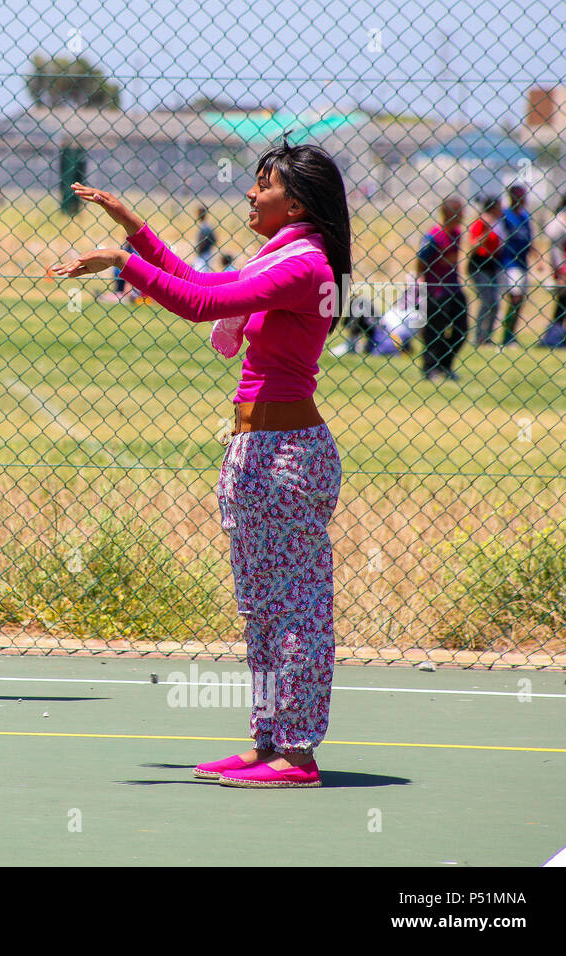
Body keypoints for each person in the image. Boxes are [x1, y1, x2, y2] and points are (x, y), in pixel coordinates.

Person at [54, 141, 351, 789]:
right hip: (261, 450)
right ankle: (270, 738)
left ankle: (298, 755)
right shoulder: (286, 259)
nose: (250, 192)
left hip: (287, 457)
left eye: (263, 184)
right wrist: (135, 230)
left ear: (296, 203)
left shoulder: (307, 268)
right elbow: (207, 285)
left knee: (295, 608)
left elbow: (199, 305)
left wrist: (124, 265)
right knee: (261, 606)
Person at [415, 197, 468, 382]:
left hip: (454, 287)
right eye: (460, 211)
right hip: (435, 291)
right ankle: (430, 368)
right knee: (434, 330)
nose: (463, 215)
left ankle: (445, 365)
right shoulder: (433, 236)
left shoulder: (457, 234)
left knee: (462, 330)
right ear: (448, 213)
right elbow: (420, 261)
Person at [497, 182, 532, 347]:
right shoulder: (505, 216)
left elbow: (529, 239)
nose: (522, 199)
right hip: (509, 262)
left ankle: (510, 334)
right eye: (519, 195)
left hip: (523, 263)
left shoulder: (525, 216)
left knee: (520, 300)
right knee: (515, 297)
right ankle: (506, 335)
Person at [541, 188, 566, 348]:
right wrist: (561, 271)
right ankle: (554, 339)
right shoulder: (561, 220)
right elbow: (555, 249)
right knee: (564, 305)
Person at [466, 194, 503, 346]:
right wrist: (486, 232)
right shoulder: (481, 222)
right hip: (479, 264)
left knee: (494, 303)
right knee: (486, 300)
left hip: (492, 264)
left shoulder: (498, 223)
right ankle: (479, 337)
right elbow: (472, 245)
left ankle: (487, 336)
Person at [193, 205, 217, 270]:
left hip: (204, 255)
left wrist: (201, 248)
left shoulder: (205, 227)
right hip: (206, 254)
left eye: (200, 213)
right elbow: (214, 240)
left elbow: (205, 241)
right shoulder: (205, 226)